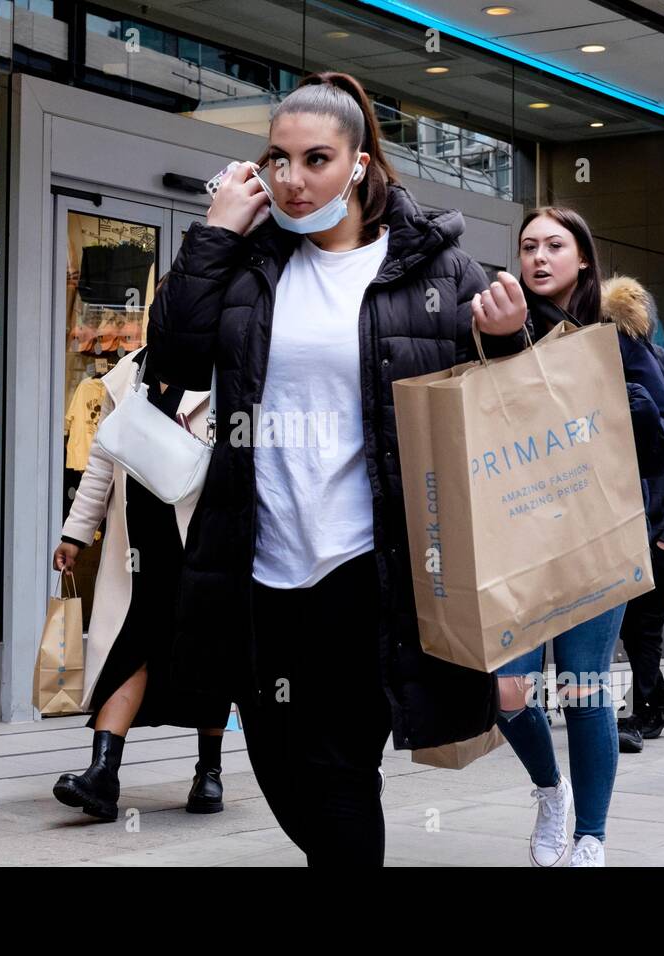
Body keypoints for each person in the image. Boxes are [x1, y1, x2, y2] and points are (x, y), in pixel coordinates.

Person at [147, 71, 530, 865]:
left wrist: (510, 335)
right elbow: (174, 360)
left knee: (341, 766)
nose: (292, 179)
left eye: (315, 158)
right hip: (258, 562)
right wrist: (214, 232)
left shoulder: (435, 270)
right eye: (278, 159)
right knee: (278, 763)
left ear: (359, 163)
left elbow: (508, 415)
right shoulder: (252, 261)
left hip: (369, 567)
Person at [491, 207, 664, 867]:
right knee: (509, 690)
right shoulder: (496, 329)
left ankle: (591, 835)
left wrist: (638, 416)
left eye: (554, 245)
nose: (539, 257)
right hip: (515, 536)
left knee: (583, 686)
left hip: (595, 535)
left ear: (583, 258)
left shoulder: (620, 338)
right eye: (528, 246)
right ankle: (551, 791)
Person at [50, 344, 231, 821]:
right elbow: (103, 459)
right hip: (136, 544)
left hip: (200, 540)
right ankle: (102, 774)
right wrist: (76, 532)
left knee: (204, 652)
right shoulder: (132, 370)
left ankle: (209, 772)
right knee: (128, 647)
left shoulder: (223, 368)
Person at [599, 276, 664, 753]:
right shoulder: (620, 424)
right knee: (628, 628)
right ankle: (660, 699)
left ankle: (641, 716)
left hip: (657, 542)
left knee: (645, 631)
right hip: (623, 539)